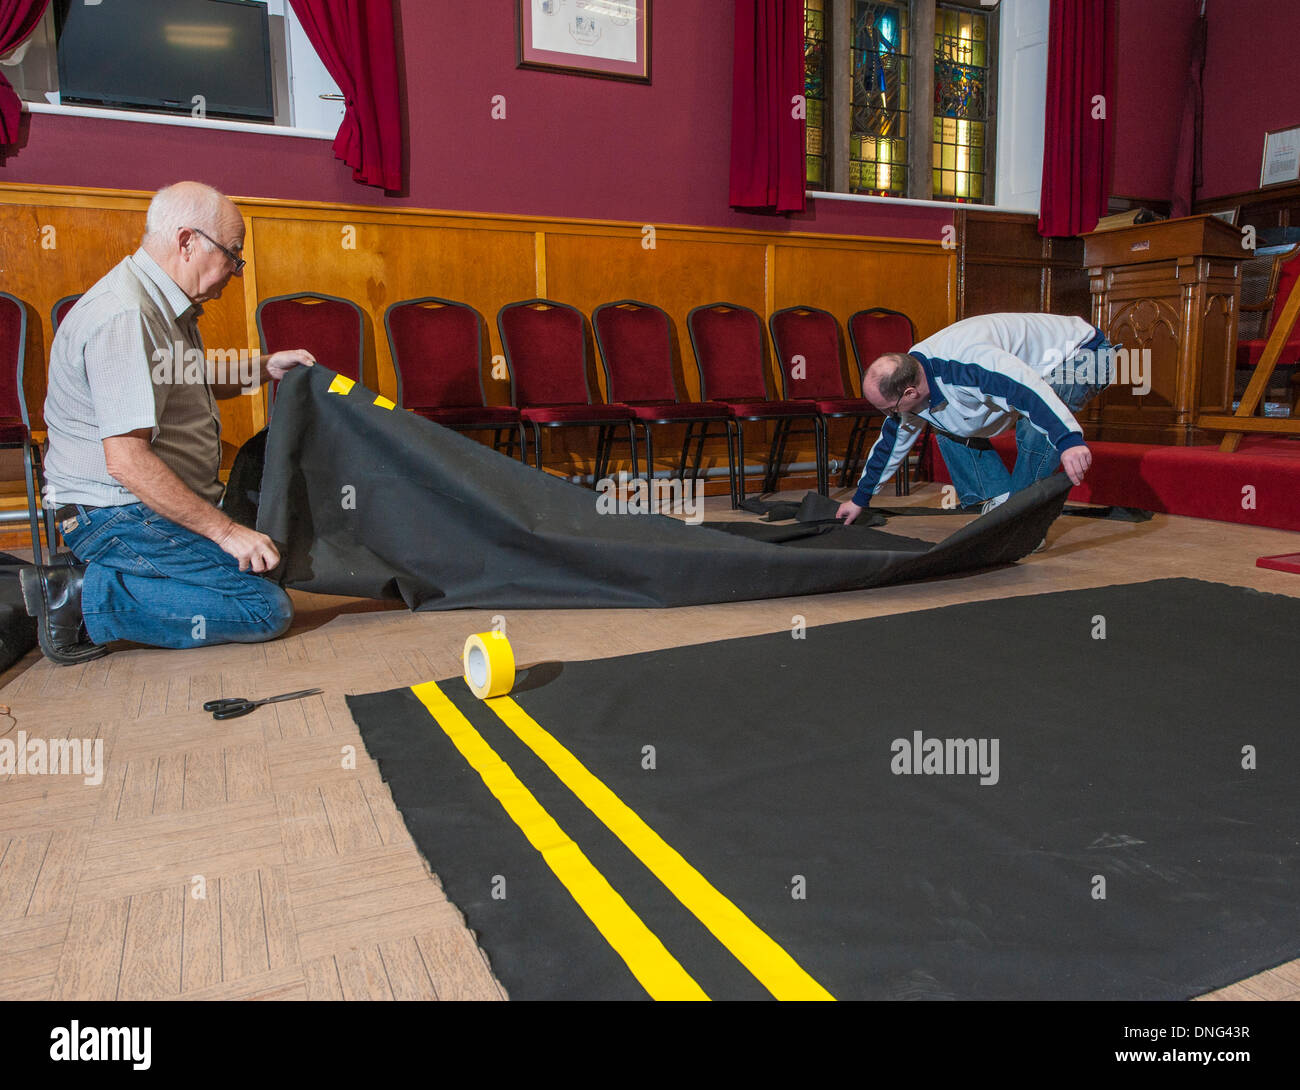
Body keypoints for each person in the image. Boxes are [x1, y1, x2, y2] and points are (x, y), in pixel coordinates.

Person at [20, 181, 314, 664]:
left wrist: (264, 368)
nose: (237, 273)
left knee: (267, 563)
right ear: (187, 242)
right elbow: (127, 461)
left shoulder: (162, 304)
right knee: (263, 607)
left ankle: (117, 575)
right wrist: (224, 532)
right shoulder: (126, 315)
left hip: (139, 504)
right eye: (234, 256)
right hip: (114, 512)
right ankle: (79, 595)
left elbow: (187, 377)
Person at [836, 312, 1114, 526]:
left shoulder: (970, 363)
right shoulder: (913, 374)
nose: (890, 415)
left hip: (1087, 354)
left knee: (1035, 428)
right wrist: (860, 499)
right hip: (1032, 372)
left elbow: (1029, 392)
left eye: (889, 409)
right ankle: (998, 500)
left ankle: (1020, 521)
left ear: (910, 392)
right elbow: (893, 439)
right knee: (947, 422)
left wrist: (1068, 441)